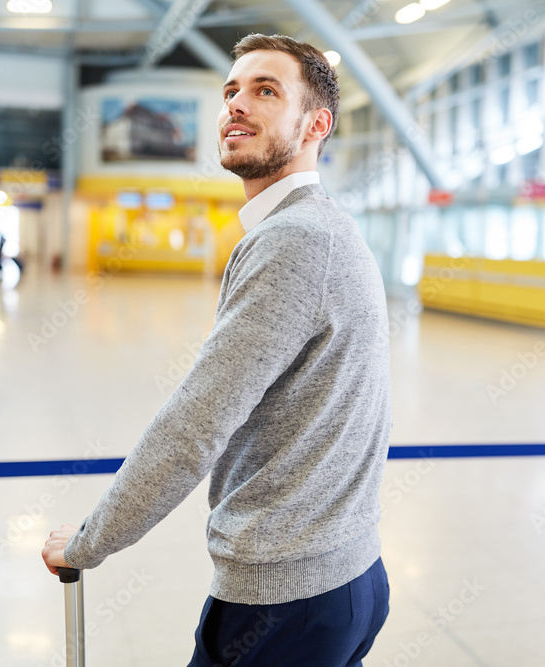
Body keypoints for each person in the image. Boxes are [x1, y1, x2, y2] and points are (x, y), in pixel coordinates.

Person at [42, 34, 393, 666]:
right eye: (231, 90)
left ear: (317, 124)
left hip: (286, 601)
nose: (236, 104)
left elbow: (196, 423)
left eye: (266, 91)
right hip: (344, 576)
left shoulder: (296, 241)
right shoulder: (325, 227)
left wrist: (91, 541)